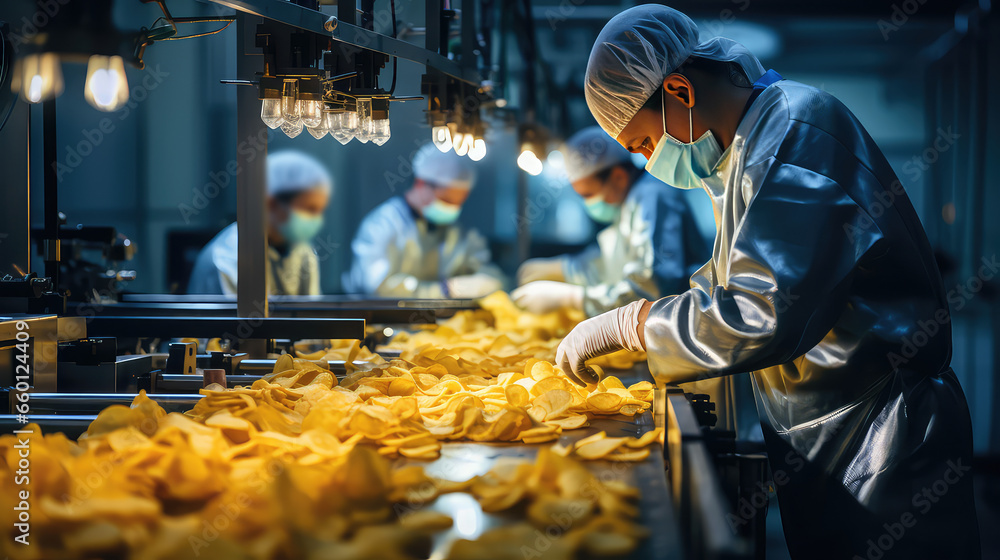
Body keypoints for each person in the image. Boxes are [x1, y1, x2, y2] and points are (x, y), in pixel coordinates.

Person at [556, 5, 980, 559]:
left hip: (883, 433)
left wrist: (631, 324)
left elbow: (760, 313)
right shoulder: (749, 150)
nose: (646, 163)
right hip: (833, 425)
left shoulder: (795, 139)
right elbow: (725, 284)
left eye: (642, 144)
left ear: (679, 93)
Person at [512, 126, 710, 317]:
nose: (587, 203)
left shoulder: (653, 197)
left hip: (687, 323)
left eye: (589, 194)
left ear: (619, 177)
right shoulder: (630, 203)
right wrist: (566, 269)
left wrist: (574, 299)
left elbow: (651, 289)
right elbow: (611, 265)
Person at [342, 143, 505, 298]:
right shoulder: (382, 224)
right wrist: (444, 290)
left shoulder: (458, 233)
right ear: (421, 184)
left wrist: (484, 283)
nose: (452, 209)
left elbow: (490, 274)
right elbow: (376, 285)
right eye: (446, 200)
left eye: (458, 203)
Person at [188, 150, 331, 296]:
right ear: (272, 204)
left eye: (320, 210)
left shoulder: (302, 251)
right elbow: (237, 319)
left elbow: (310, 315)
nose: (317, 219)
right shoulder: (226, 260)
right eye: (309, 209)